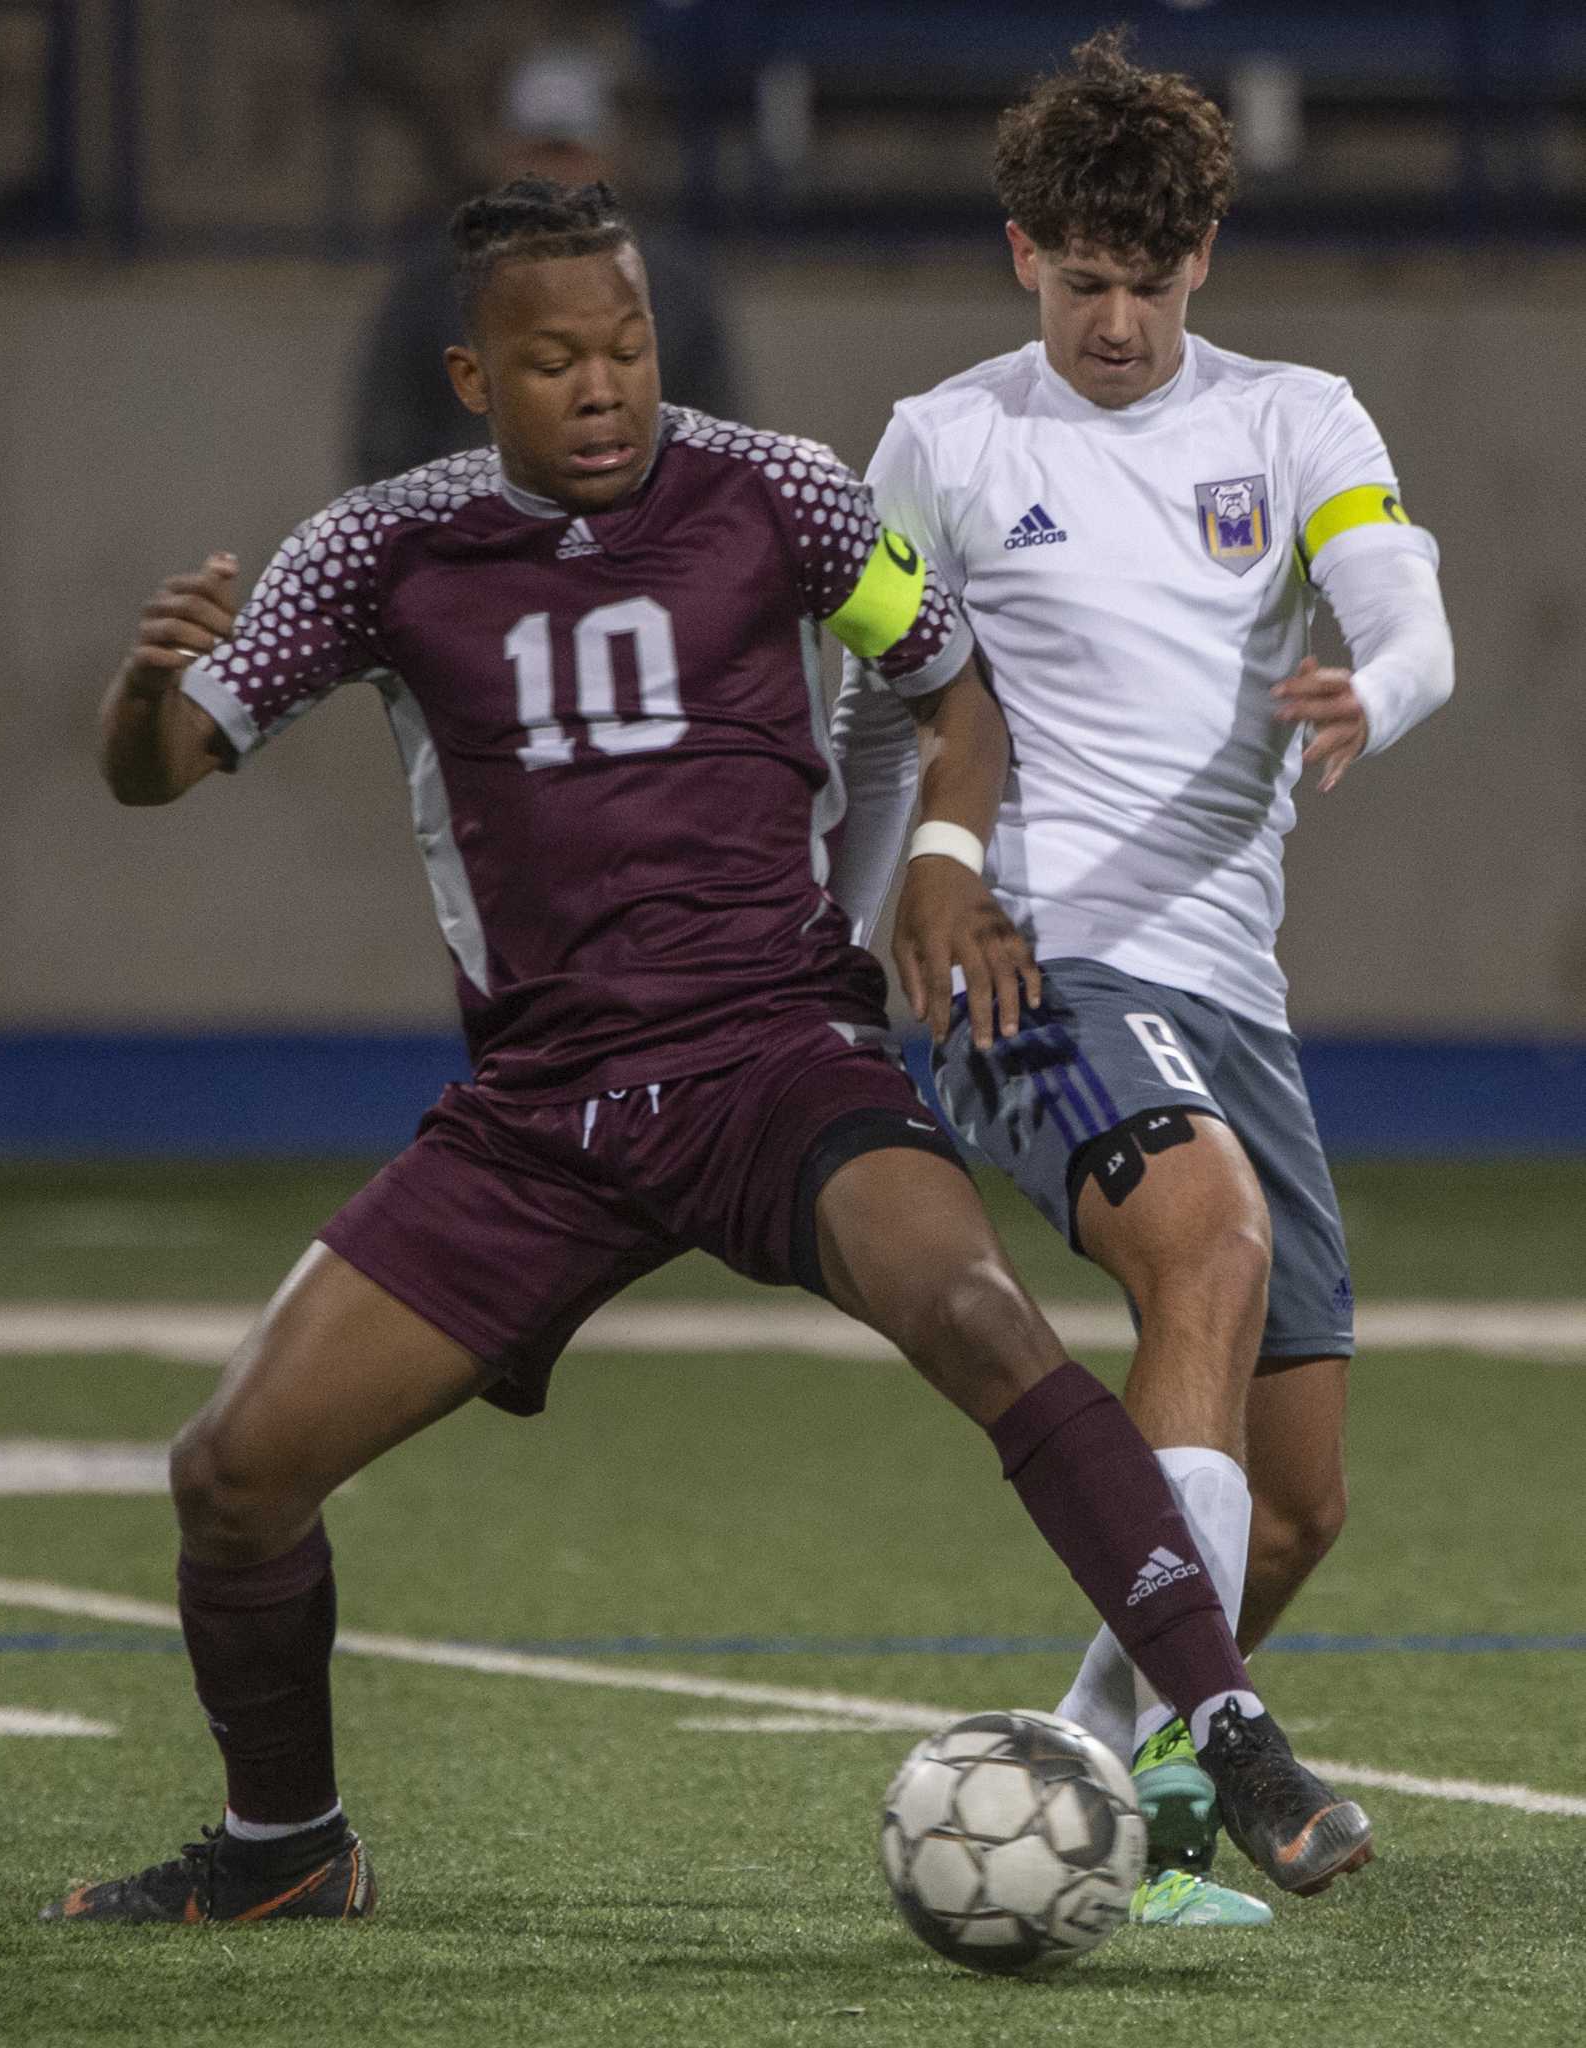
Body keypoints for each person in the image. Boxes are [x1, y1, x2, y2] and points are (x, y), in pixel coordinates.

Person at [42, 175, 1370, 1926]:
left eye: (629, 346)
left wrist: (943, 859)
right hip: (543, 1112)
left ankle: (1229, 1731)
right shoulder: (376, 549)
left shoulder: (784, 493)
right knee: (231, 1472)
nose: (604, 388)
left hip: (774, 1057)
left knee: (982, 1316)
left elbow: (953, 685)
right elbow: (160, 768)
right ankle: (288, 1842)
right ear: (473, 378)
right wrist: (145, 689)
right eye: (555, 362)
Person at [831, 30, 1451, 1930]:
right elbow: (870, 720)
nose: (1115, 323)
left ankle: (1100, 1782)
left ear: (1206, 259)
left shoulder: (1295, 421)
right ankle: (1224, 1753)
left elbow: (1405, 603)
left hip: (1226, 993)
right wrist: (851, 950)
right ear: (1023, 251)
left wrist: (1376, 687)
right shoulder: (945, 442)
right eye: (1082, 280)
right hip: (1032, 965)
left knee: (1301, 1501)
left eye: (1151, 284)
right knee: (1206, 1242)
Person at [352, 41, 737, 484]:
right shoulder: (432, 284)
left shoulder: (675, 288)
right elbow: (386, 440)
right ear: (503, 156)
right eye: (537, 152)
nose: (553, 175)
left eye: (570, 152)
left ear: (607, 158)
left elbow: (712, 446)